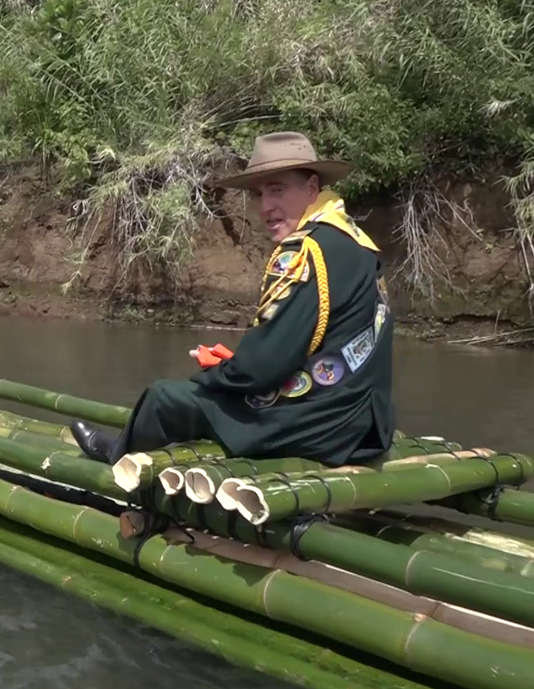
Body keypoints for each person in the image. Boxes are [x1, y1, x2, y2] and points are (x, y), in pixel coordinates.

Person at [71, 131, 395, 467]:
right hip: (365, 424)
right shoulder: (358, 244)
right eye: (259, 193)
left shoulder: (304, 251)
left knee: (164, 398)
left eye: (278, 189)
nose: (266, 207)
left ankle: (121, 464)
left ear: (312, 187)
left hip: (318, 426)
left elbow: (263, 368)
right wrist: (235, 366)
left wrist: (220, 375)